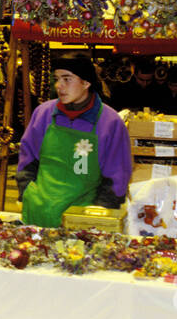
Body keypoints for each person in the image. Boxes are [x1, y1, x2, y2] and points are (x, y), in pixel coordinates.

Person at [16, 54, 131, 227]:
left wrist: (94, 219)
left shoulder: (109, 122)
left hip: (82, 220)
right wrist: (27, 194)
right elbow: (27, 161)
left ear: (86, 83)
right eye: (57, 79)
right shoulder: (44, 114)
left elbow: (116, 179)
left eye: (67, 79)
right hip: (38, 214)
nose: (59, 86)